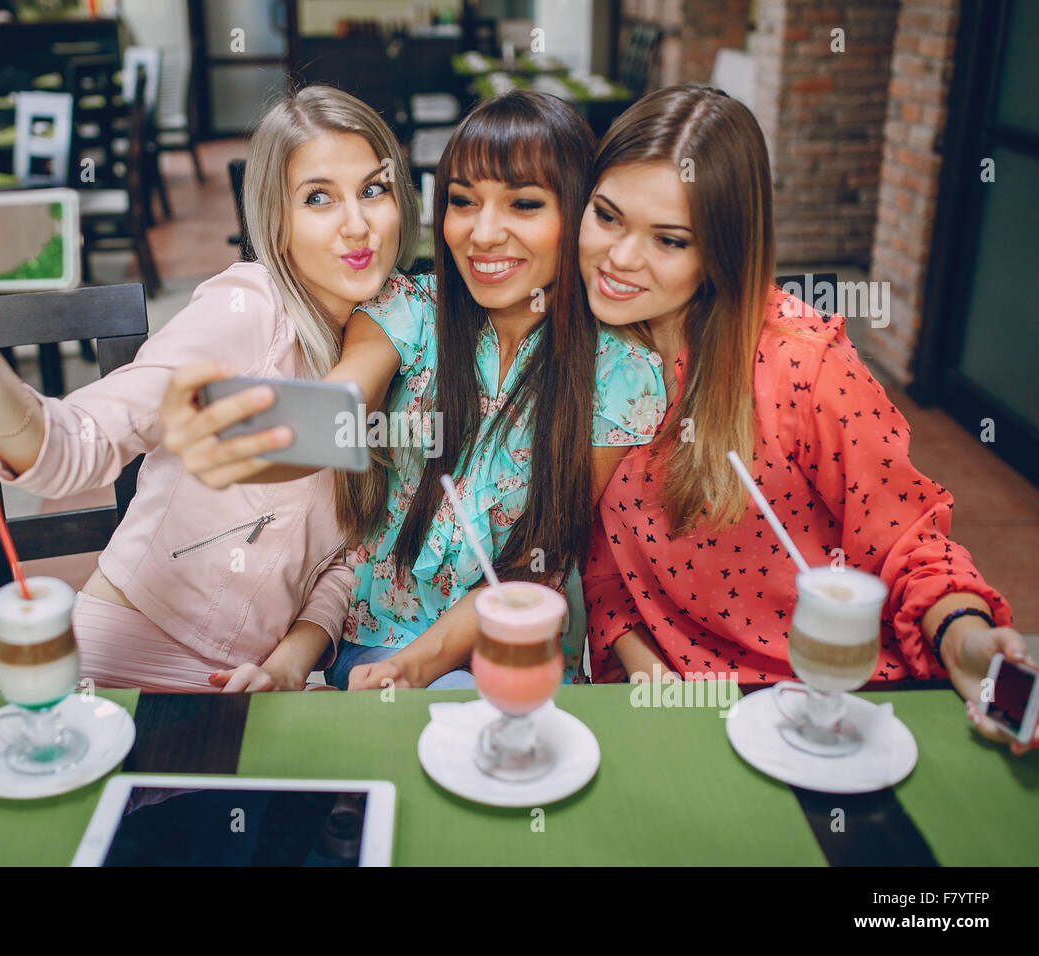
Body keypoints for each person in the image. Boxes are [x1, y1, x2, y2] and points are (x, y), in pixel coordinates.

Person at [0, 85, 419, 693]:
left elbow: (351, 562)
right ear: (276, 222)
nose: (357, 226)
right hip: (127, 653)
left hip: (251, 684)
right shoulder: (249, 308)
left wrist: (287, 664)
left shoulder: (405, 335)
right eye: (318, 197)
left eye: (372, 190)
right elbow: (75, 448)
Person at [576, 85, 1034, 754]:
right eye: (607, 216)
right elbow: (603, 573)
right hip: (683, 714)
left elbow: (907, 542)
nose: (619, 257)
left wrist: (965, 639)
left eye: (669, 240)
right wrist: (653, 684)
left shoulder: (805, 365)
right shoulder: (581, 355)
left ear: (721, 251)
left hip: (839, 707)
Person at [190, 92, 666, 690]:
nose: (483, 234)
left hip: (508, 653)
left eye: (523, 204)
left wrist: (415, 667)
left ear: (579, 215)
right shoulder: (409, 308)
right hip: (371, 645)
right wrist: (252, 431)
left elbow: (534, 565)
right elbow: (345, 398)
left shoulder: (620, 373)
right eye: (463, 202)